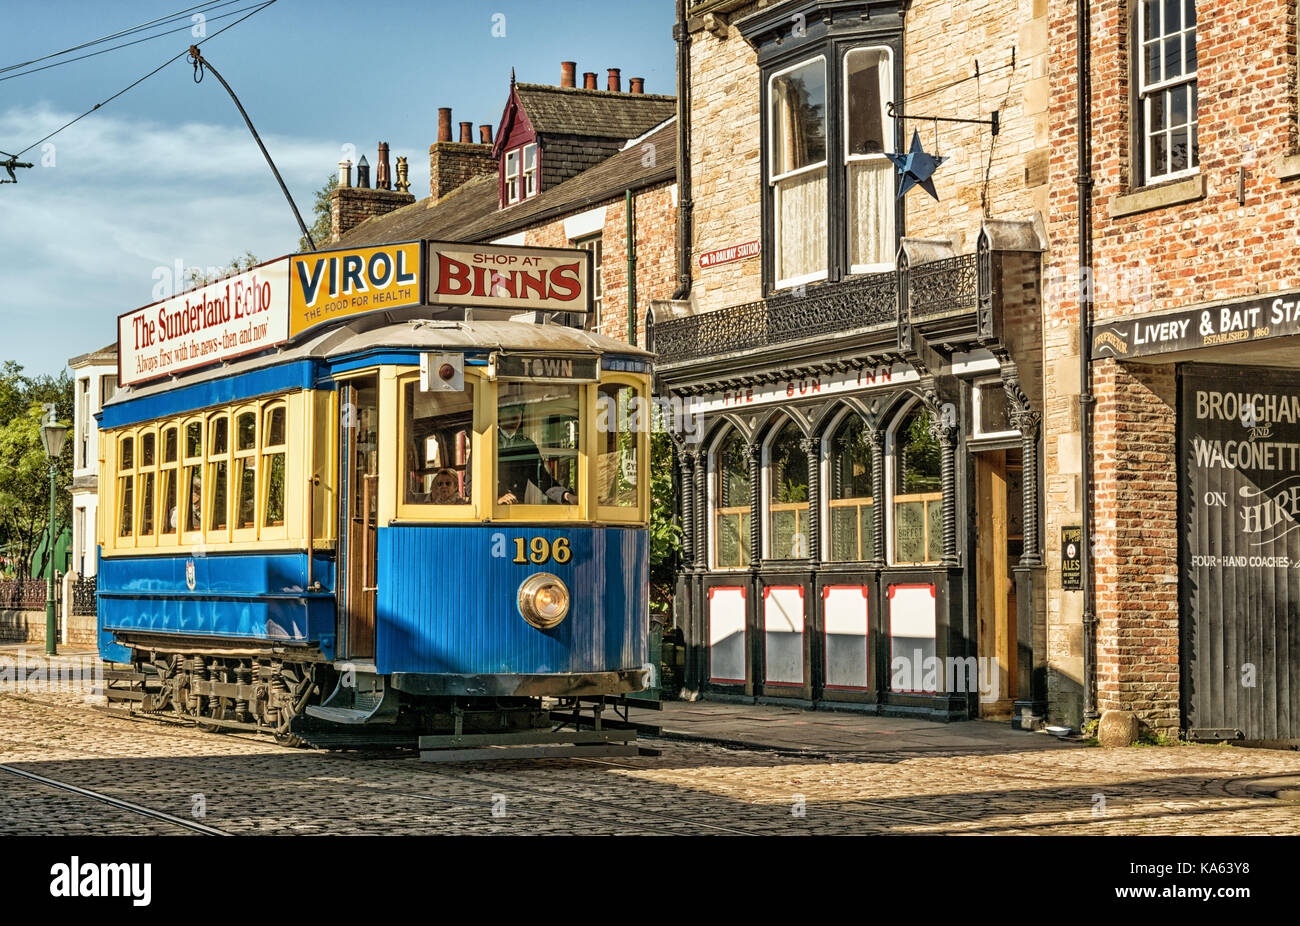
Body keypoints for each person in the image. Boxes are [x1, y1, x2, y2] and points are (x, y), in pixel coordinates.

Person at [497, 402, 576, 505]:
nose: (516, 416)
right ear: (499, 414)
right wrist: (497, 500)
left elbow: (542, 479)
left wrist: (567, 496)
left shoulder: (527, 445)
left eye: (519, 411)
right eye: (511, 411)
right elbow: (470, 484)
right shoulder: (486, 442)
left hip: (516, 513)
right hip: (489, 515)